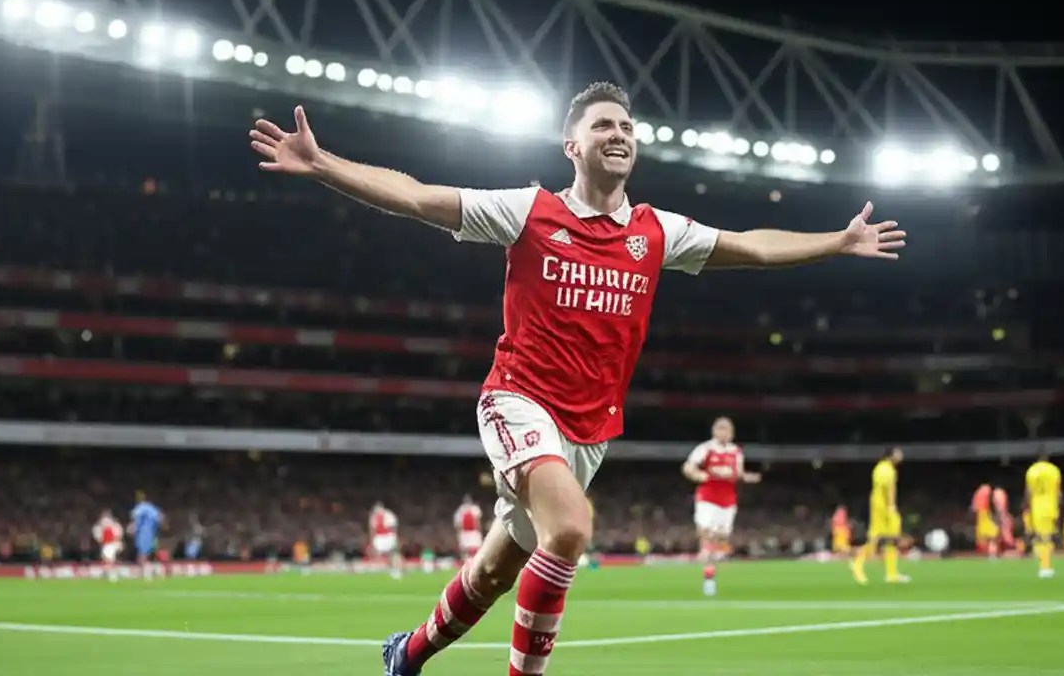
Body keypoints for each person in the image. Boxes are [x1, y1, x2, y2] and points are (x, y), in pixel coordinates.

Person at [248, 82, 906, 676]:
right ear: (572, 144)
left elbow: (756, 246)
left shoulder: (657, 232)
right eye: (603, 126)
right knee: (570, 529)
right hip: (519, 400)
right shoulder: (527, 211)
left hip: (589, 431)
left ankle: (409, 653)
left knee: (497, 569)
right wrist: (321, 163)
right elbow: (421, 198)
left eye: (626, 127)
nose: (618, 134)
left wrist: (838, 241)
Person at [682, 416, 761, 563]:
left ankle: (719, 554)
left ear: (732, 433)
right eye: (720, 429)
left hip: (727, 497)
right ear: (714, 431)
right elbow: (688, 467)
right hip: (707, 495)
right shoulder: (705, 448)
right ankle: (704, 552)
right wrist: (698, 475)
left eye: (727, 430)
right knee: (705, 527)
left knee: (723, 533)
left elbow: (738, 473)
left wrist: (746, 477)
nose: (723, 433)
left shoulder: (736, 451)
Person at [850, 447, 910, 585]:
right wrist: (891, 508)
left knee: (889, 540)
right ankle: (858, 564)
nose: (901, 455)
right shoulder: (886, 470)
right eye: (898, 453)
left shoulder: (881, 468)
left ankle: (891, 574)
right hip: (883, 508)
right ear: (890, 455)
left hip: (879, 506)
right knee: (878, 539)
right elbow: (888, 490)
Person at [1024, 451, 1062, 579]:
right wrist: (1058, 507)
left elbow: (1028, 492)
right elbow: (1059, 493)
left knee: (1041, 538)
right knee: (1047, 538)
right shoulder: (1054, 470)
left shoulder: (1031, 471)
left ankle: (1044, 566)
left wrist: (1026, 507)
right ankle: (1045, 566)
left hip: (1037, 507)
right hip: (1051, 506)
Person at [128, 491, 165, 580]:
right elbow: (160, 518)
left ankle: (145, 571)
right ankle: (150, 570)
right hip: (151, 533)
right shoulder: (152, 508)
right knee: (148, 552)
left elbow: (135, 517)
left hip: (144, 533)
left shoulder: (141, 507)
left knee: (142, 552)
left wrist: (132, 527)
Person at [370, 502, 403, 580]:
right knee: (394, 554)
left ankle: (395, 569)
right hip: (387, 536)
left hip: (382, 537)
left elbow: (372, 530)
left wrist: (372, 541)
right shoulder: (388, 514)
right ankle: (396, 570)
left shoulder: (375, 517)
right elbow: (393, 527)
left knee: (391, 555)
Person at [92, 509, 124, 582]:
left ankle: (111, 574)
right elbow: (99, 536)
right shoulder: (102, 525)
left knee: (109, 560)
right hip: (107, 544)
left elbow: (118, 535)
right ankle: (108, 573)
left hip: (111, 544)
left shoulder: (113, 525)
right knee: (108, 560)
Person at [454, 495, 484, 563]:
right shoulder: (474, 509)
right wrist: (480, 531)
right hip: (473, 532)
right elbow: (477, 521)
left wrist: (459, 534)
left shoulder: (460, 510)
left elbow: (458, 524)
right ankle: (475, 562)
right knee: (476, 549)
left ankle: (466, 562)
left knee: (466, 550)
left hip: (465, 533)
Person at [971, 484, 999, 557]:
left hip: (982, 518)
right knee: (992, 538)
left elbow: (973, 508)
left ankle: (990, 555)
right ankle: (991, 555)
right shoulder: (987, 490)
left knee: (988, 539)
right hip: (984, 517)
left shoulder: (977, 493)